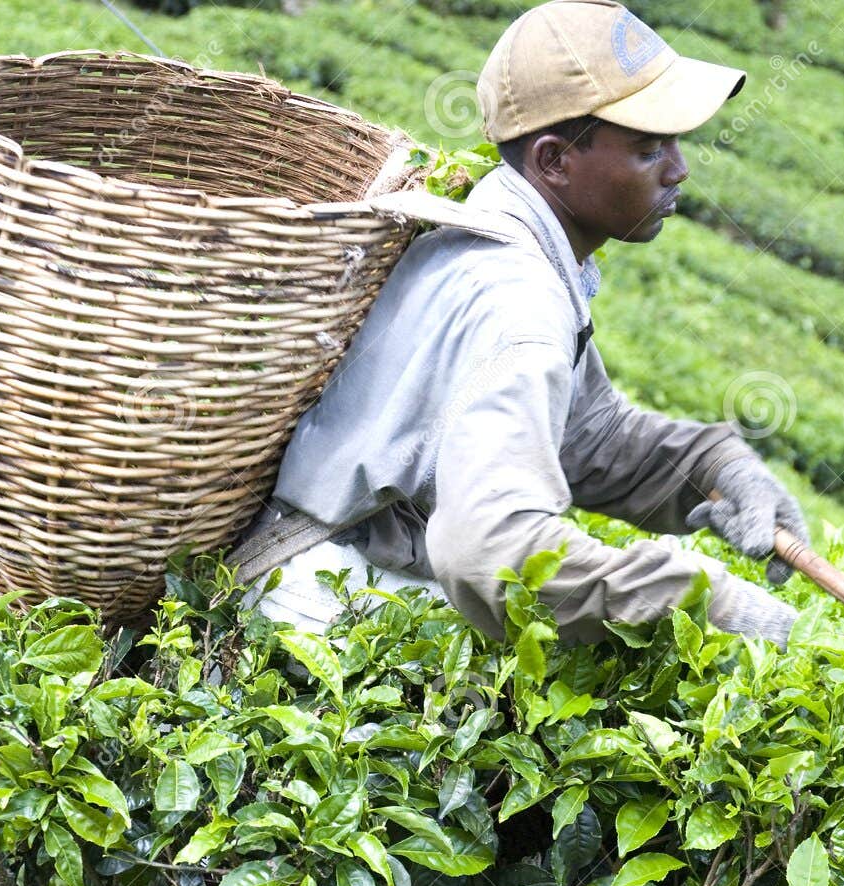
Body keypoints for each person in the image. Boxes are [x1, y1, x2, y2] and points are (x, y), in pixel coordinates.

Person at [232, 0, 808, 648]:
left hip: (322, 576)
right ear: (555, 160)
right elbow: (490, 544)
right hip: (323, 612)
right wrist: (703, 600)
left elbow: (586, 437)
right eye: (650, 149)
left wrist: (716, 464)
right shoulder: (518, 302)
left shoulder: (507, 243)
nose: (679, 169)